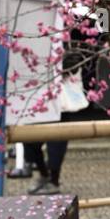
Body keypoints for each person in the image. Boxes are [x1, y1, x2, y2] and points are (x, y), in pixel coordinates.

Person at [28, 54, 88, 195]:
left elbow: (104, 31)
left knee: (56, 140)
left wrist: (66, 64)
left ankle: (53, 178)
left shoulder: (68, 36)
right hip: (37, 86)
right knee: (29, 139)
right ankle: (44, 173)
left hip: (61, 91)